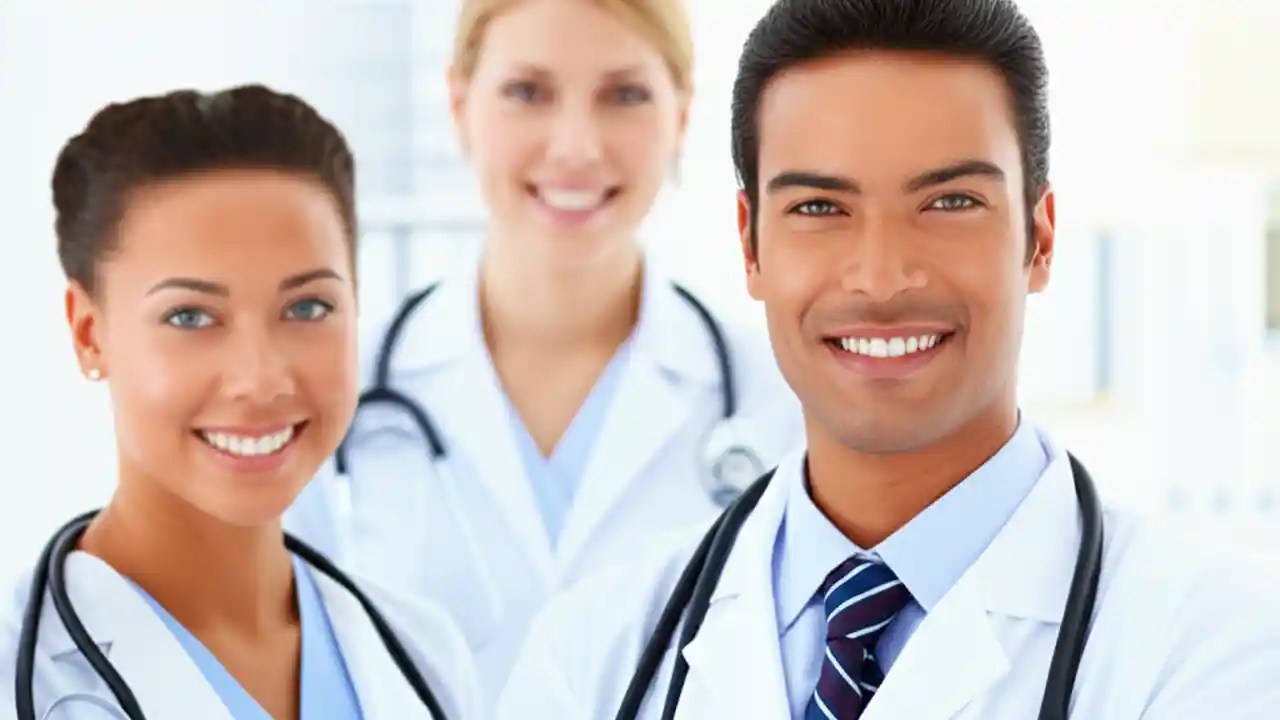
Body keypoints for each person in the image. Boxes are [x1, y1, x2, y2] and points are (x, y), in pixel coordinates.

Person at [495, 0, 1280, 717]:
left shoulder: (1212, 654)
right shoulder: (594, 656)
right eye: (818, 209)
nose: (880, 278)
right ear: (751, 244)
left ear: (1039, 238)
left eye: (948, 203)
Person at [285, 0, 803, 697]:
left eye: (625, 94)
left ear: (681, 114)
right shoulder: (326, 395)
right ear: (459, 103)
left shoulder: (779, 403)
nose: (575, 147)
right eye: (527, 92)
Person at [0, 85, 479, 720]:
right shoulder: (19, 678)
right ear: (90, 333)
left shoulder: (421, 655)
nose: (259, 380)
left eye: (307, 307)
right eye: (191, 316)